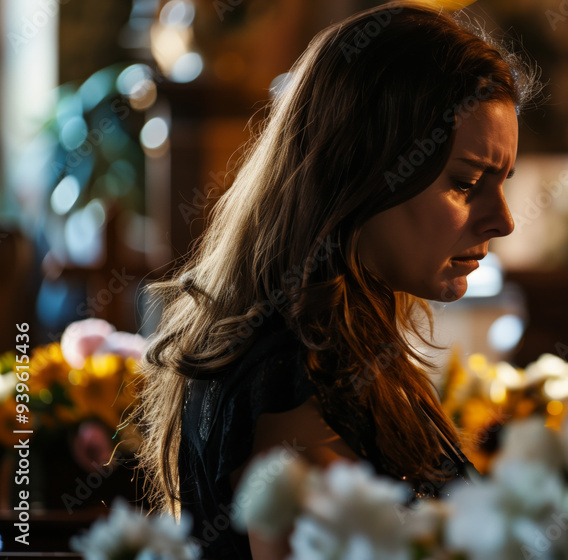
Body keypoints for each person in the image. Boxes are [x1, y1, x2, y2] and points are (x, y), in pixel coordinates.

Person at [134, 3, 539, 558]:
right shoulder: (294, 378)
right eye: (467, 183)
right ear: (361, 169)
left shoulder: (337, 348)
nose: (503, 219)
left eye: (502, 181)